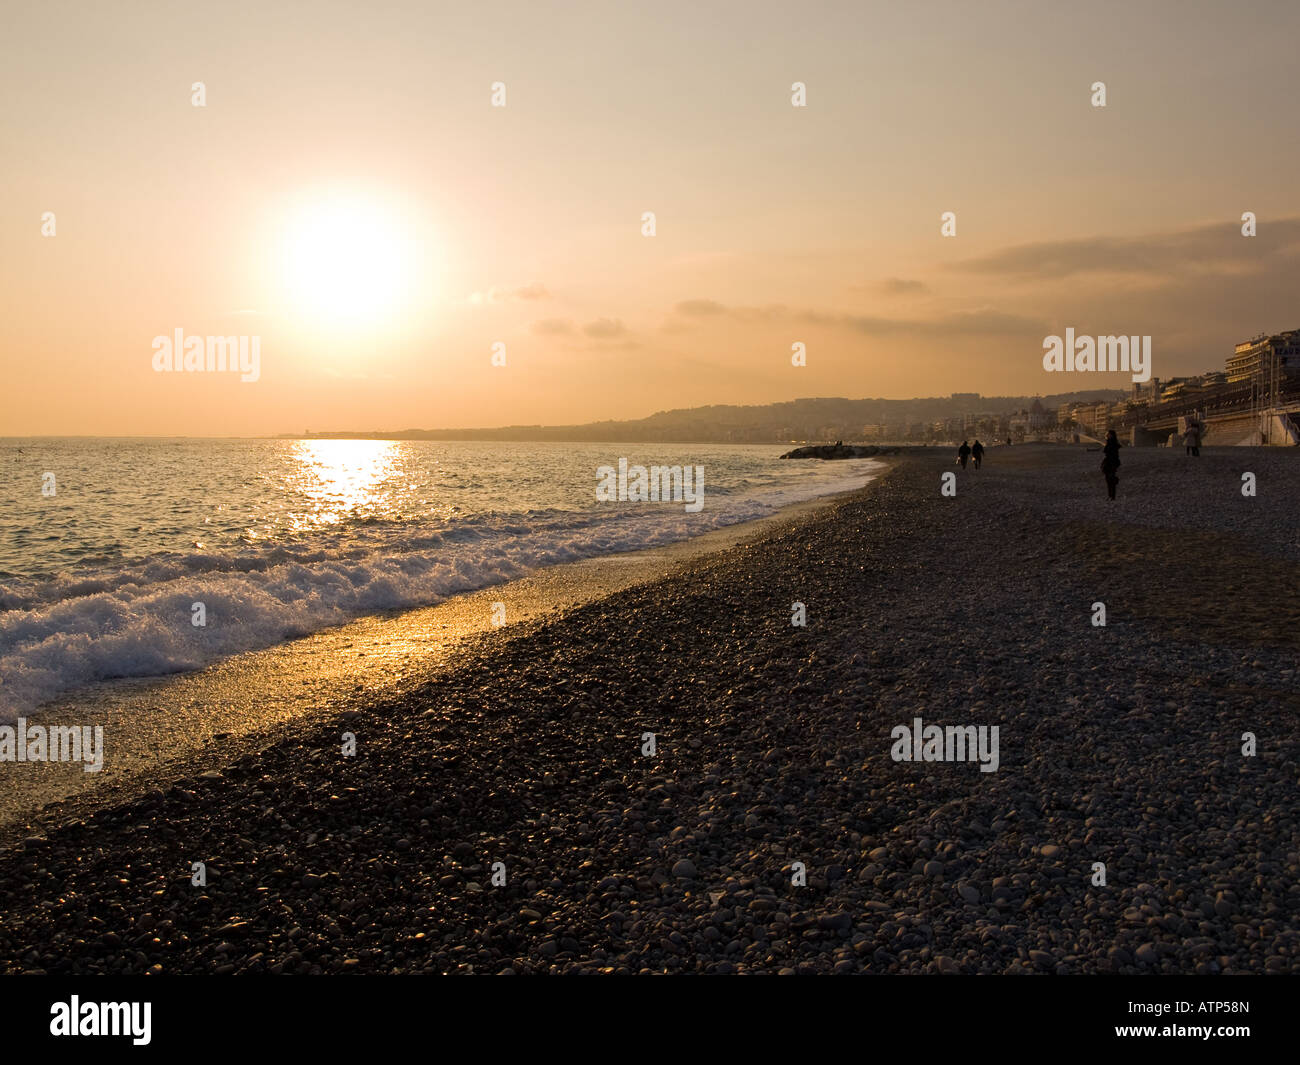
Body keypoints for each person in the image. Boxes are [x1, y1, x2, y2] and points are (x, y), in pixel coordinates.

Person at [1101, 429, 1121, 500]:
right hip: (1109, 462)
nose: (1107, 435)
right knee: (1108, 480)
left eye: (1108, 434)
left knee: (1111, 480)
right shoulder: (1110, 442)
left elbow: (1113, 454)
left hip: (1111, 463)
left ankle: (1112, 496)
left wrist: (1113, 465)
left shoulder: (1112, 443)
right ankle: (1110, 496)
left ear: (1111, 435)